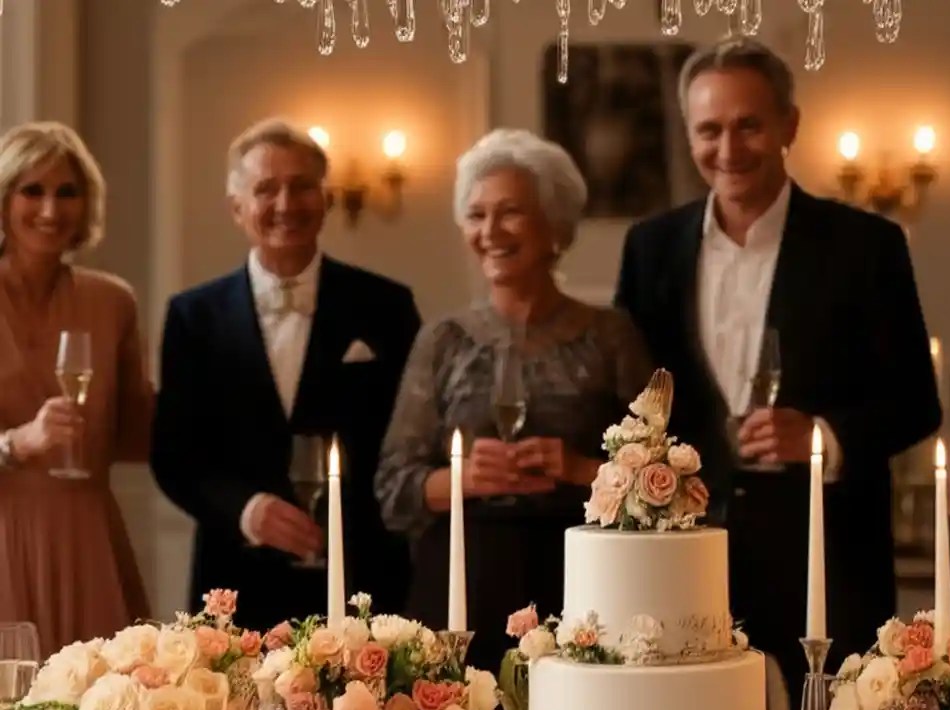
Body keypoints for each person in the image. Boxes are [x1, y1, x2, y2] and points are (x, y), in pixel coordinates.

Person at [614, 38, 941, 708]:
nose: (728, 149)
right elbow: (632, 396)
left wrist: (826, 435)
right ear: (689, 134)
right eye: (709, 130)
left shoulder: (866, 247)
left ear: (790, 125)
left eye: (749, 125)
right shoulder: (650, 247)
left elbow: (917, 401)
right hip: (686, 563)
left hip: (830, 560)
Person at [375, 128, 652, 672]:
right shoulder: (442, 339)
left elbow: (661, 483)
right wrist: (466, 478)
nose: (490, 231)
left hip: (583, 579)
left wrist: (579, 469)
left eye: (510, 213)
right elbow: (392, 488)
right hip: (462, 579)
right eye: (476, 215)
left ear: (555, 227)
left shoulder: (611, 335)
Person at [151, 118, 421, 630]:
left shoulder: (386, 306)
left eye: (301, 186)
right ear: (237, 208)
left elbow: (408, 440)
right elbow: (174, 454)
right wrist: (246, 509)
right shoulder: (193, 316)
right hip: (236, 583)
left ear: (327, 198)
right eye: (265, 189)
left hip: (364, 582)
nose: (284, 204)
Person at [0, 121, 152, 655]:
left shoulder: (112, 302)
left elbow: (139, 435)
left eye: (67, 192)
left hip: (89, 536)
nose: (50, 209)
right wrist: (18, 442)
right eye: (31, 190)